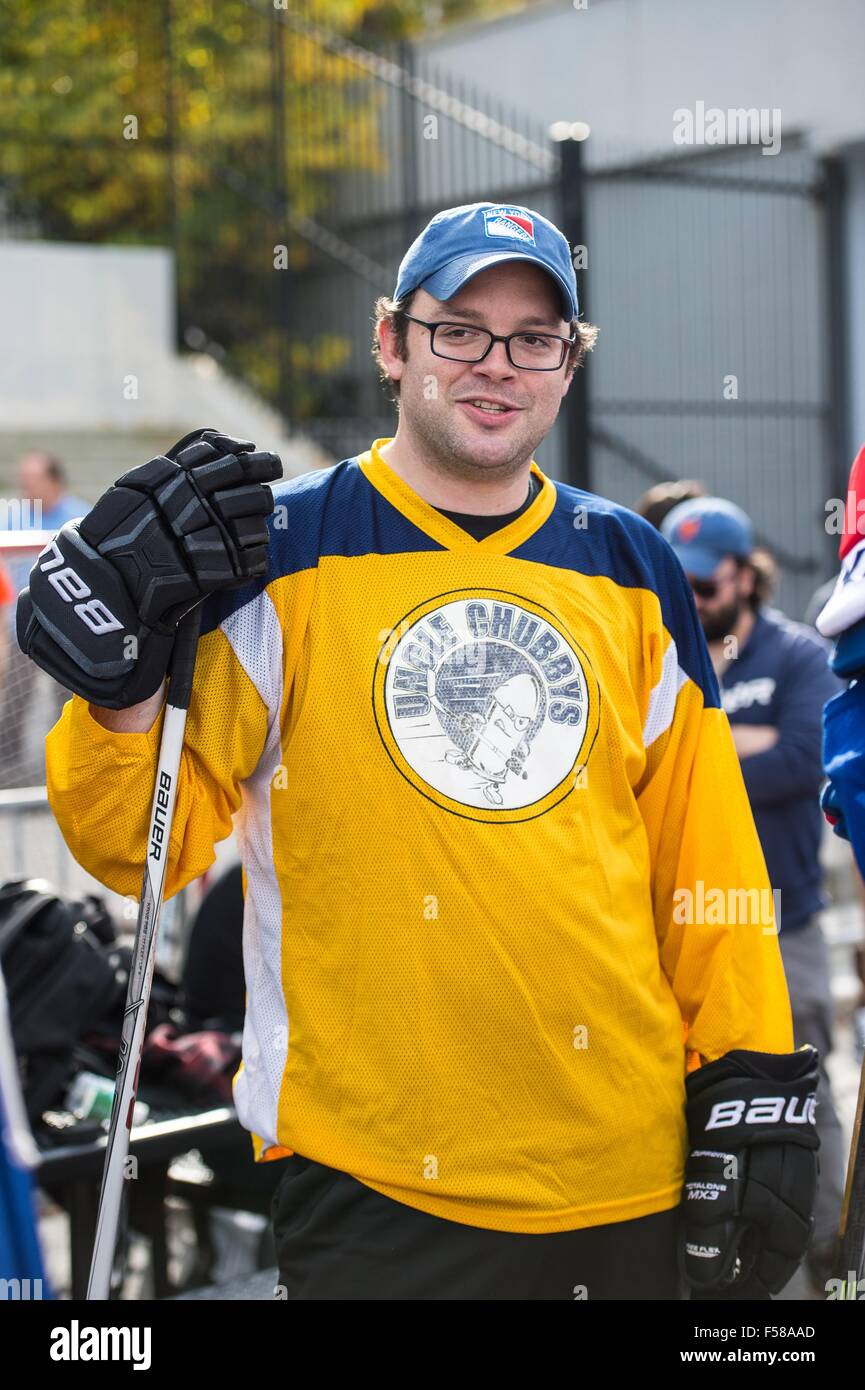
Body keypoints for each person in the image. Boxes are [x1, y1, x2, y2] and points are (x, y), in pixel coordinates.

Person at [22, 201, 816, 1302]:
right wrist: (117, 691)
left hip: (626, 1168)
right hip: (373, 1184)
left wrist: (751, 1071)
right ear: (393, 342)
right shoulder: (272, 551)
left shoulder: (629, 563)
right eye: (460, 329)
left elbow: (707, 859)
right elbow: (131, 849)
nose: (497, 365)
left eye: (534, 338)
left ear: (567, 364)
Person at [661, 495, 847, 1294]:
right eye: (683, 581)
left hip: (779, 919)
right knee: (694, 1094)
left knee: (798, 1094)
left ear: (745, 574)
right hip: (675, 927)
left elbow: (805, 764)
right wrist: (742, 742)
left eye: (705, 583)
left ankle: (832, 1259)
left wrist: (699, 750)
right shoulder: (662, 649)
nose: (693, 596)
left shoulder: (797, 656)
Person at [0, 451, 88, 783]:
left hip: (67, 629)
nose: (25, 487)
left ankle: (66, 768)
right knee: (14, 700)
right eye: (22, 480)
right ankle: (8, 771)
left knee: (67, 699)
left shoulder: (80, 518)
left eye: (32, 480)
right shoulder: (14, 518)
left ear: (53, 481)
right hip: (22, 626)